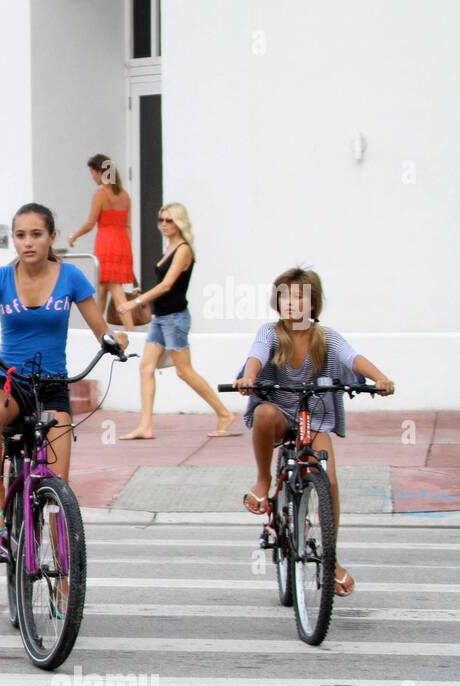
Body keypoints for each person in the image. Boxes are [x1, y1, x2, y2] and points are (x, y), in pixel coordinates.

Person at [0, 203, 128, 536]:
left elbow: (101, 329)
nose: (28, 242)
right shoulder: (0, 277)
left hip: (53, 385)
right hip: (11, 382)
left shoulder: (72, 277)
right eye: (21, 235)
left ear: (52, 237)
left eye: (36, 235)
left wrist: (115, 339)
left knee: (60, 492)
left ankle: (67, 582)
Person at [235, 267, 394, 598]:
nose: (291, 303)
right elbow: (256, 356)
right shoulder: (270, 333)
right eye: (285, 296)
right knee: (263, 413)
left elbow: (353, 357)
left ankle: (331, 557)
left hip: (315, 416)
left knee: (330, 482)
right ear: (277, 302)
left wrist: (380, 378)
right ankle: (264, 481)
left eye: (299, 297)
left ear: (313, 303)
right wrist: (249, 377)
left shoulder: (327, 337)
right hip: (280, 413)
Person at [116, 202, 238, 440]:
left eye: (169, 220)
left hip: (175, 319)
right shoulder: (170, 247)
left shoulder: (183, 249)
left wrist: (135, 302)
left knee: (184, 371)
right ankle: (146, 426)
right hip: (161, 319)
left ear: (179, 222)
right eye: (161, 220)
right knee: (146, 368)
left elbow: (167, 285)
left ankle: (224, 413)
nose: (163, 224)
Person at [67, 154, 134, 323]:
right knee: (102, 290)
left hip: (107, 244)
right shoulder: (125, 195)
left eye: (92, 172)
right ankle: (97, 329)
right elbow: (128, 226)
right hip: (122, 243)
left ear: (100, 172)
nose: (92, 176)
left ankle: (131, 331)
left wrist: (74, 236)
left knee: (116, 290)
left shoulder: (101, 194)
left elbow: (90, 223)